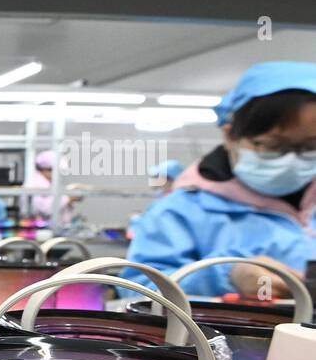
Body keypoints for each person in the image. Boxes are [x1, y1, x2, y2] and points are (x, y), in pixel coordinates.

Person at [126, 61, 316, 298]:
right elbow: (139, 290)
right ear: (229, 136)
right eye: (274, 146)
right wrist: (228, 275)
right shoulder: (181, 212)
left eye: (310, 146)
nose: (291, 160)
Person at [21, 149, 78, 228]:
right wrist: (68, 199)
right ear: (46, 169)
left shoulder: (49, 183)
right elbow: (45, 209)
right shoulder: (35, 183)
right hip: (39, 230)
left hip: (52, 228)